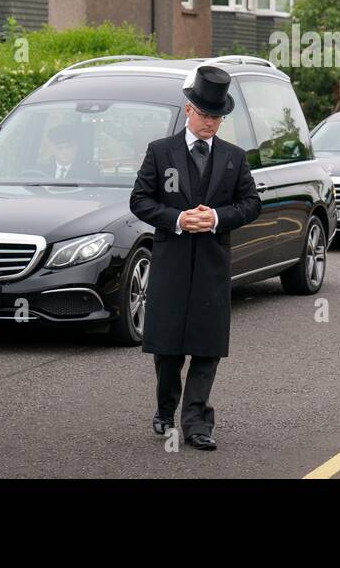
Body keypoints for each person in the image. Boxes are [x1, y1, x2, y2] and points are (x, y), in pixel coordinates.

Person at [128, 65, 262, 451]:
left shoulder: (235, 158)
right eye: (205, 115)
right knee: (168, 349)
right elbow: (140, 201)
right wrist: (179, 219)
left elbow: (251, 204)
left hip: (211, 267)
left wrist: (218, 217)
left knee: (206, 346)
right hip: (171, 265)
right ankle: (164, 408)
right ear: (188, 110)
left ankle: (197, 422)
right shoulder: (160, 151)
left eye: (217, 117)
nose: (211, 124)